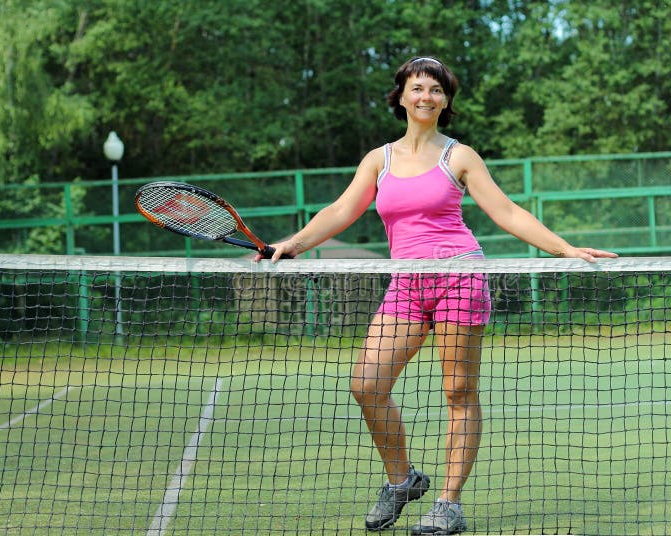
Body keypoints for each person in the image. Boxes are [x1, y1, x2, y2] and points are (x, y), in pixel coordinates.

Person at [257, 56, 617, 535]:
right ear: (401, 96)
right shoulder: (378, 160)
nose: (425, 96)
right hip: (406, 282)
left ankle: (448, 503)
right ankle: (402, 480)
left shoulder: (460, 156)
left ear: (445, 101)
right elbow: (342, 209)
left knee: (458, 391)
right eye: (417, 87)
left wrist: (563, 249)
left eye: (435, 90)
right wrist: (292, 245)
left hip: (459, 277)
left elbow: (506, 212)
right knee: (366, 383)